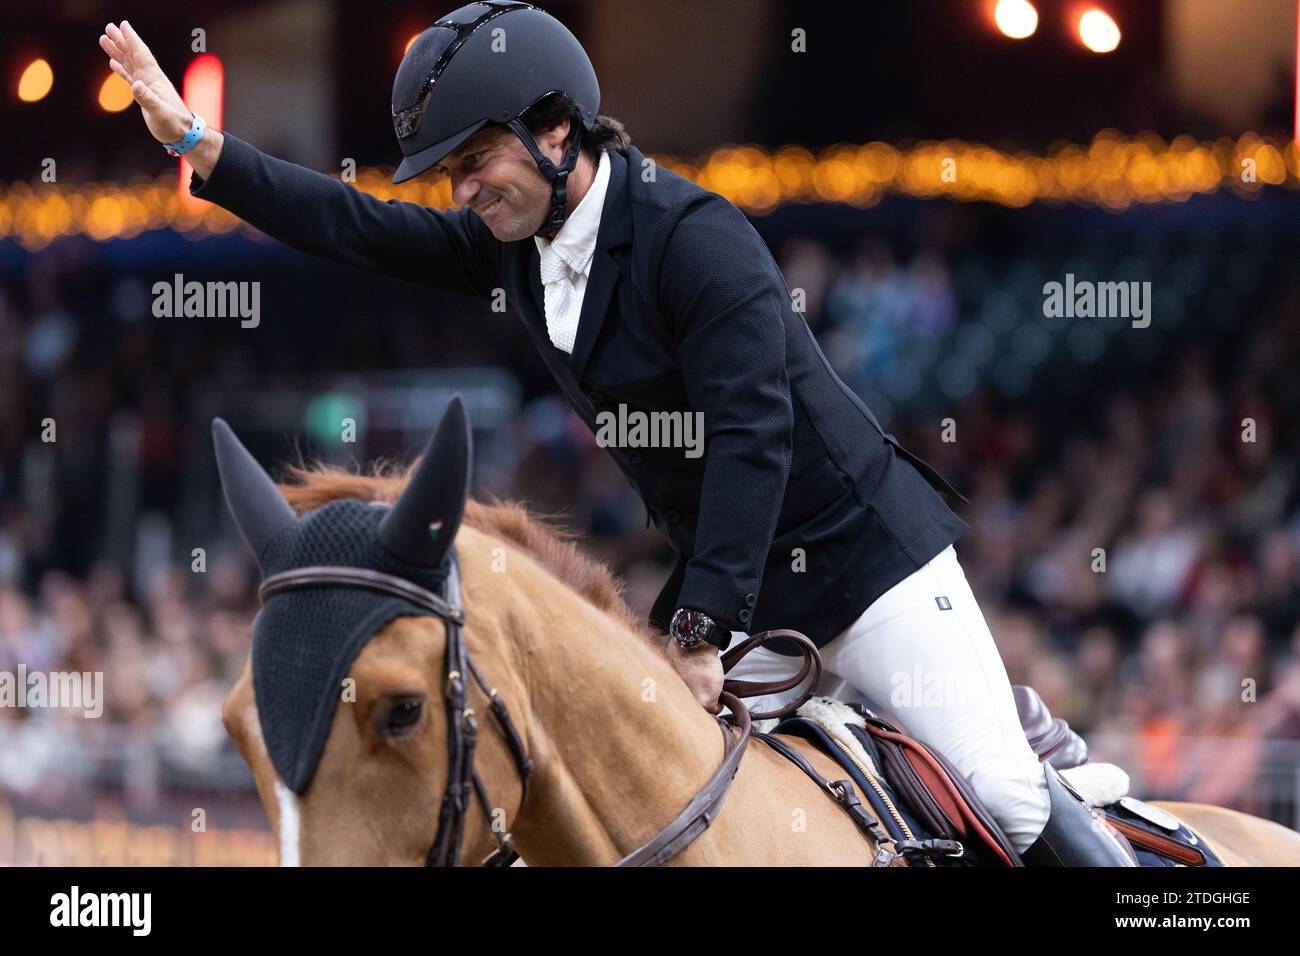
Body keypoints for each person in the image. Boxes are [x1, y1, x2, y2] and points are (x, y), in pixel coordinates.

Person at [98, 2, 1133, 865]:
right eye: (450, 171)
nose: (463, 190)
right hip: (734, 584)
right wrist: (201, 148)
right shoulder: (516, 242)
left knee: (1005, 798)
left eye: (477, 159)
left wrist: (694, 636)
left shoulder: (698, 241)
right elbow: (358, 226)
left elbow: (752, 439)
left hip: (864, 567)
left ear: (557, 129)